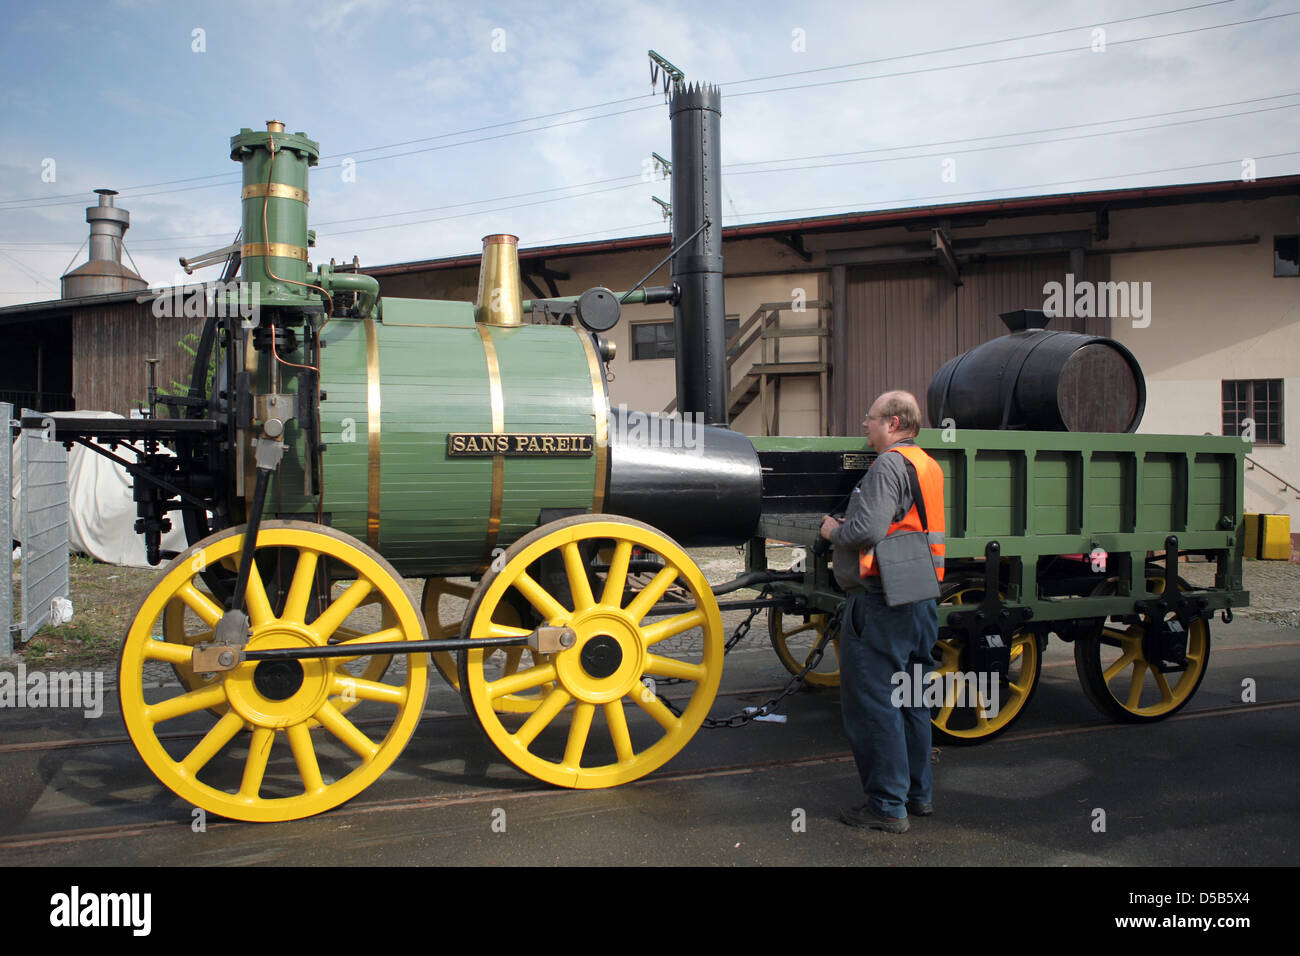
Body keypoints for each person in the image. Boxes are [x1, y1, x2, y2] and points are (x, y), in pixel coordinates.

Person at [819, 390, 944, 834]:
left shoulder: (888, 465)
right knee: (911, 698)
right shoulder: (927, 464)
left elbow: (867, 529)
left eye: (870, 419)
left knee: (875, 702)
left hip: (880, 599)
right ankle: (917, 794)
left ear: (893, 423)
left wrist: (834, 530)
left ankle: (887, 806)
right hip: (920, 596)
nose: (865, 428)